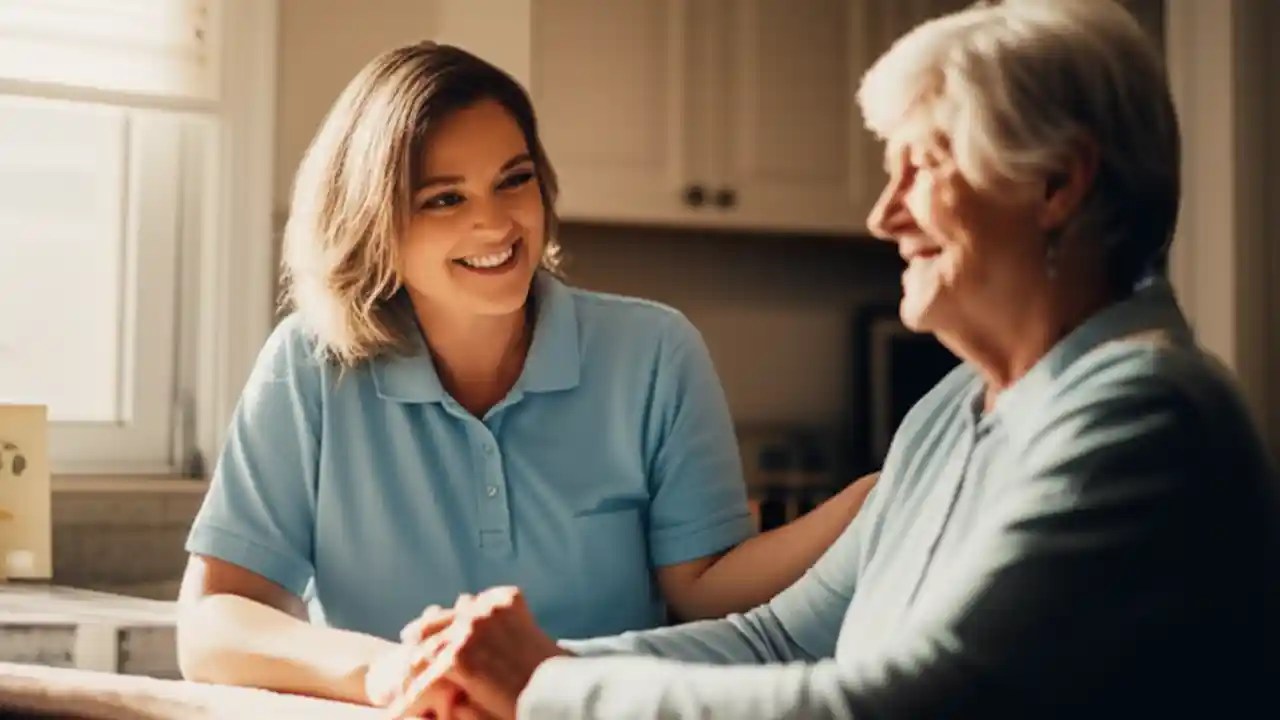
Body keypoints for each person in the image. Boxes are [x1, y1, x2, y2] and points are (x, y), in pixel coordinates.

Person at [385, 1, 1280, 718]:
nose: (882, 216)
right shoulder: (954, 412)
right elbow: (777, 639)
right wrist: (509, 668)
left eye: (922, 167)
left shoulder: (1144, 419)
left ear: (1056, 184)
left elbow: (904, 705)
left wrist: (542, 687)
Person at [174, 41, 878, 708]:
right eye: (445, 198)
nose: (497, 223)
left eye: (515, 180)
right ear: (373, 221)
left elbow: (706, 590)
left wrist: (884, 489)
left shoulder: (656, 350)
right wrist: (387, 670)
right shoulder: (310, 362)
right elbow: (214, 620)